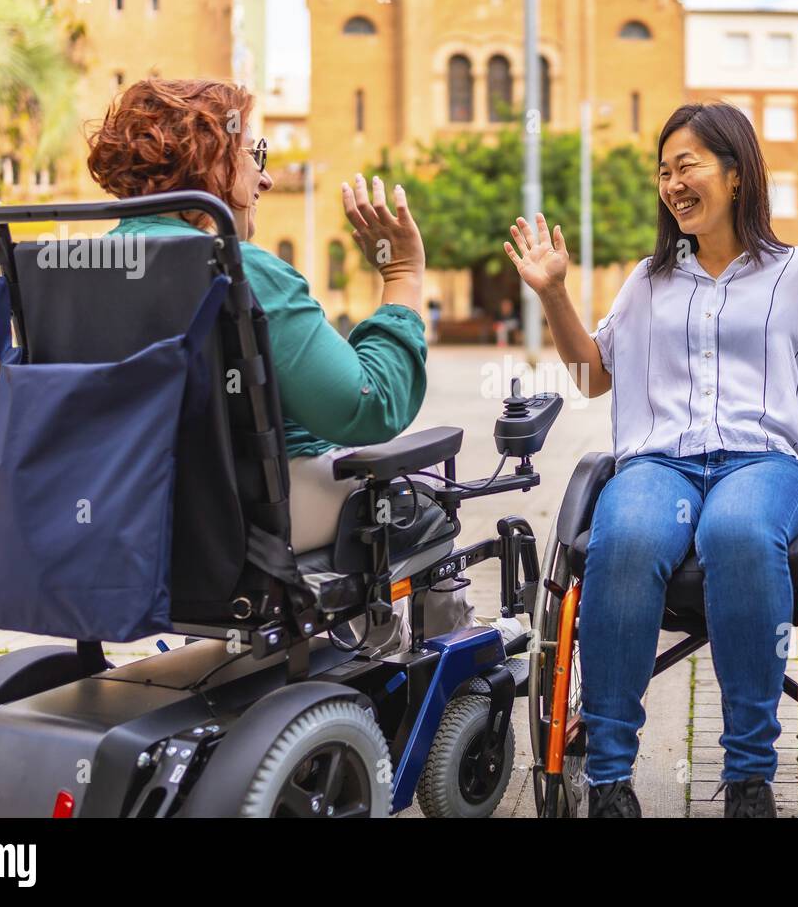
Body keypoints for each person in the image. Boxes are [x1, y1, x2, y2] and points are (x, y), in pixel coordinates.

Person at [503, 101, 798, 818]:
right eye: (664, 172)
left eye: (686, 166)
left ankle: (749, 775)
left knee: (736, 533)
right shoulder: (647, 283)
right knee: (624, 537)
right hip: (661, 465)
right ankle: (611, 778)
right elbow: (592, 378)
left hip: (765, 465)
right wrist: (556, 294)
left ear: (737, 174)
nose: (672, 183)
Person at [86, 79, 513, 656]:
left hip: (123, 517)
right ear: (211, 163)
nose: (264, 178)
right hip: (242, 520)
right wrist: (403, 277)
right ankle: (431, 671)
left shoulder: (85, 267)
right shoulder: (240, 271)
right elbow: (367, 405)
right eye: (253, 157)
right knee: (423, 503)